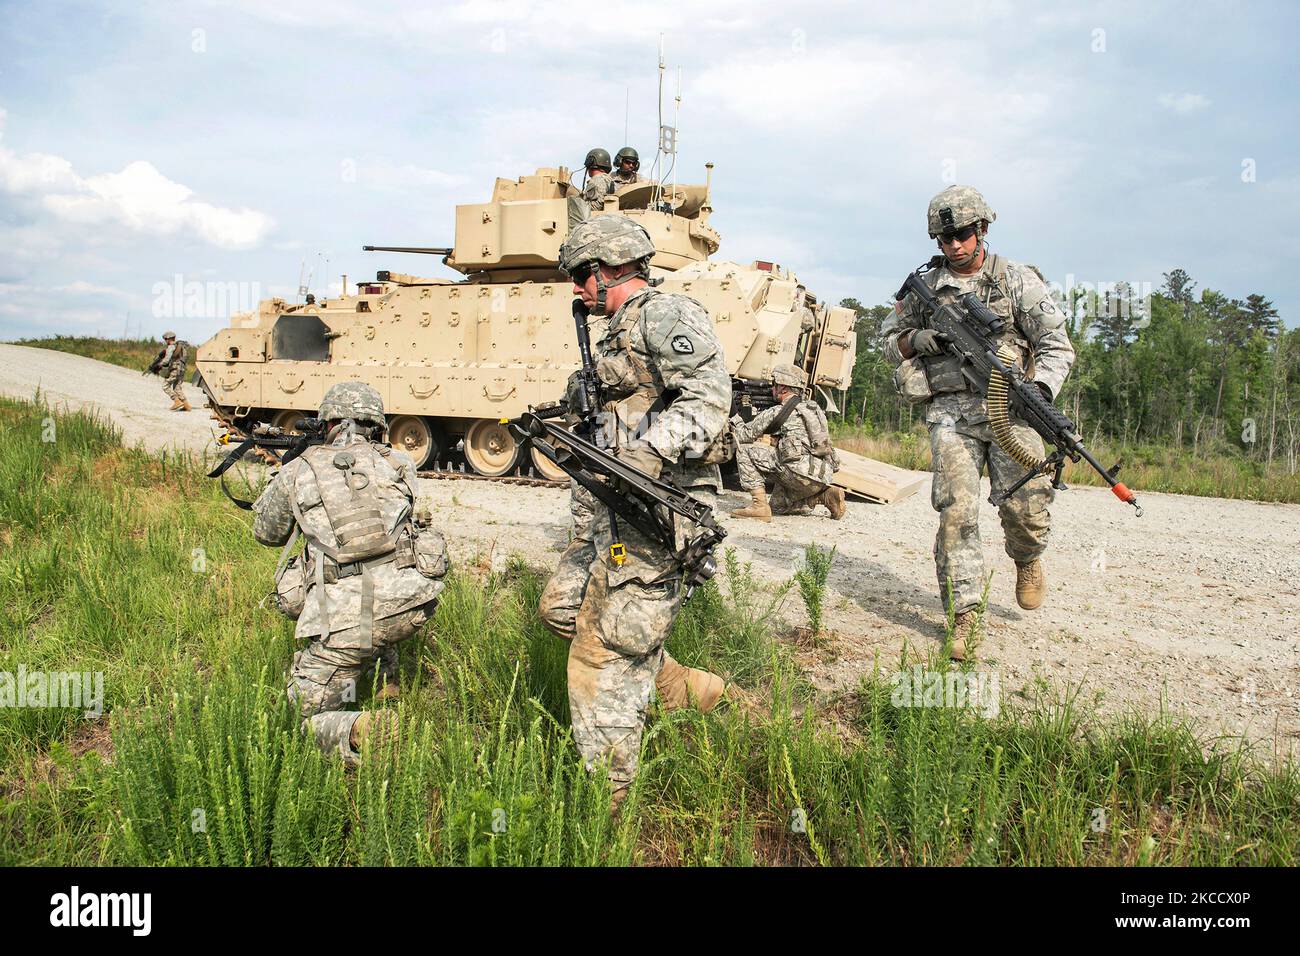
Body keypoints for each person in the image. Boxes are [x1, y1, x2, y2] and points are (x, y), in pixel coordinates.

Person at [550, 213, 737, 806]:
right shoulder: (614, 332)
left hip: (660, 508)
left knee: (600, 651)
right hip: (611, 514)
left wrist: (644, 453)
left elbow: (709, 399)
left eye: (582, 275)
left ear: (611, 268)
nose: (578, 290)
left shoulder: (668, 314)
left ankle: (611, 802)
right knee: (560, 609)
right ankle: (685, 687)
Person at [883, 185, 1075, 660]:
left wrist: (1040, 393)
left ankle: (1027, 558)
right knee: (957, 511)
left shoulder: (1017, 280)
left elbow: (1057, 346)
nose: (954, 246)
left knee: (1026, 506)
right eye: (945, 238)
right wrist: (919, 339)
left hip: (1010, 408)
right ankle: (965, 613)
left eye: (963, 235)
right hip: (952, 413)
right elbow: (888, 342)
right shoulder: (924, 290)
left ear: (982, 230)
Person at [252, 381, 449, 765]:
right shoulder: (399, 463)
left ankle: (357, 728)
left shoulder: (298, 469)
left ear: (326, 422)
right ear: (378, 424)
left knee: (296, 718)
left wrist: (286, 471)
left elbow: (266, 532)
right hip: (411, 606)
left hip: (345, 622)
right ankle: (383, 683)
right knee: (376, 592)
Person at [730, 364, 845, 522]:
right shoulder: (814, 409)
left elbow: (743, 435)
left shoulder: (779, 411)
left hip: (798, 475)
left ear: (783, 387)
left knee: (745, 450)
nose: (772, 389)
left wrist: (734, 414)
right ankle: (824, 495)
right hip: (822, 476)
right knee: (777, 507)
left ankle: (758, 507)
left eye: (774, 385)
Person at [567, 148, 617, 229]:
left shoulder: (596, 181)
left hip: (593, 224)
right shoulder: (609, 179)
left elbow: (591, 208)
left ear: (590, 163)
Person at [146, 331, 191, 411]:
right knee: (177, 388)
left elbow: (166, 360)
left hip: (175, 369)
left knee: (165, 386)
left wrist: (159, 364)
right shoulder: (181, 347)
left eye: (166, 339)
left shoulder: (171, 347)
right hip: (182, 369)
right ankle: (187, 405)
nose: (165, 341)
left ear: (169, 339)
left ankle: (177, 401)